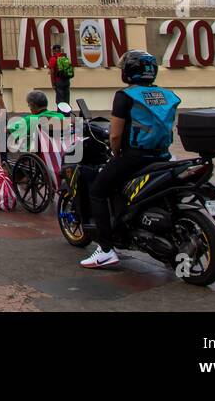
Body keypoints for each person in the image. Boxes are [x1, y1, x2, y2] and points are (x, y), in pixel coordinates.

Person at [81, 51, 180, 269]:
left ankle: (106, 249)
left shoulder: (126, 96)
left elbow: (115, 135)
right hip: (162, 154)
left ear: (129, 72)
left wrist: (115, 153)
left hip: (135, 156)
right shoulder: (167, 94)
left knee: (97, 190)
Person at [47, 43, 74, 109]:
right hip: (67, 81)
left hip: (58, 81)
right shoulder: (65, 58)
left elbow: (52, 72)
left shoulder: (53, 59)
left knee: (60, 100)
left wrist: (53, 84)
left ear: (53, 51)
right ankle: (67, 114)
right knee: (66, 99)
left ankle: (61, 115)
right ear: (60, 50)